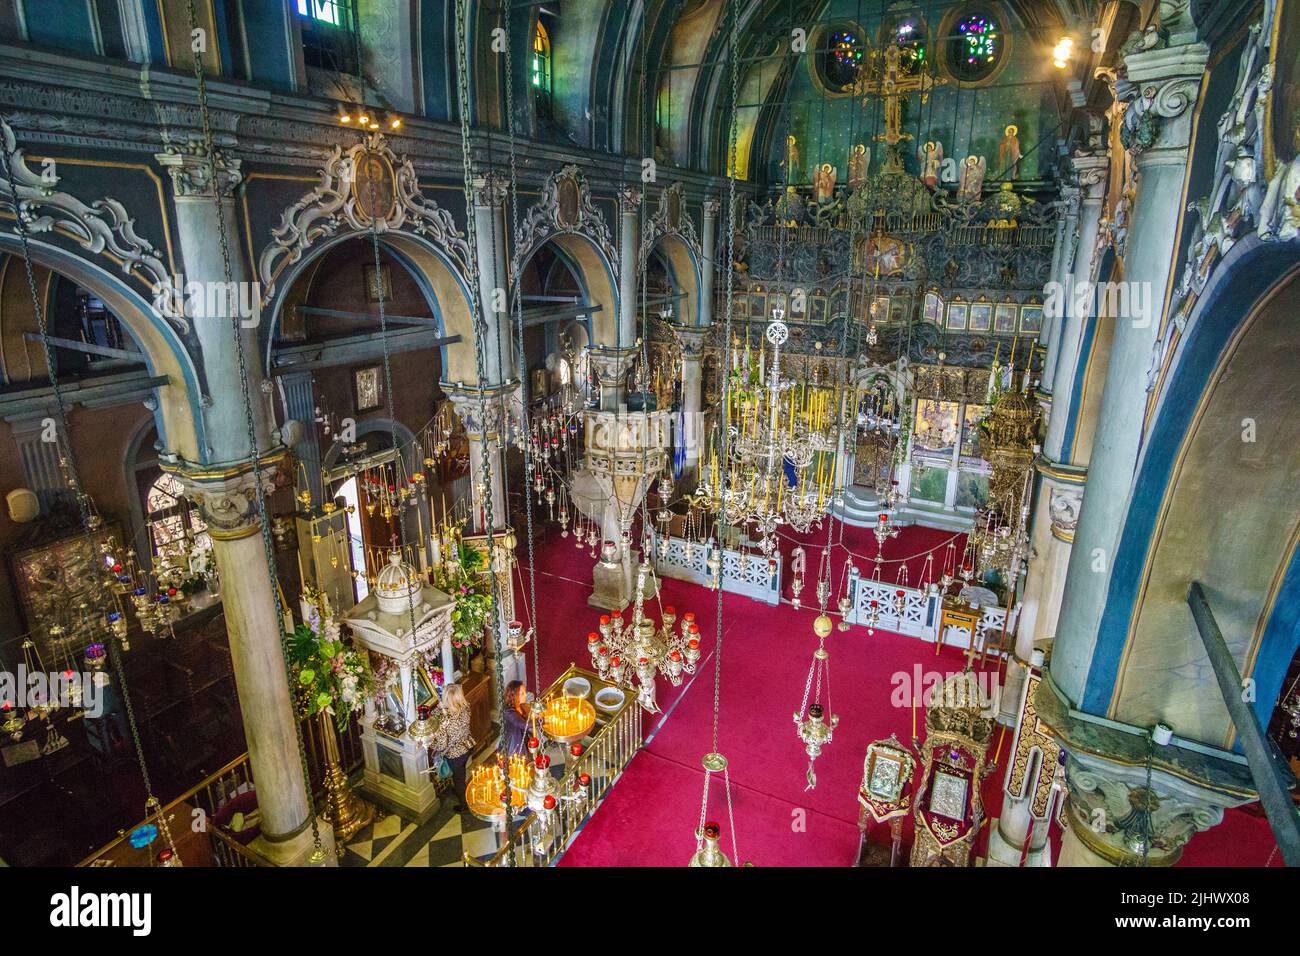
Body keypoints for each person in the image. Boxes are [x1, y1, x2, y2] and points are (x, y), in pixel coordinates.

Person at [431, 683, 474, 813]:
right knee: (460, 773)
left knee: (458, 778)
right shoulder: (466, 708)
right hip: (468, 745)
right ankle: (461, 790)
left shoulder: (445, 721)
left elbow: (441, 745)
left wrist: (430, 743)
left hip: (455, 754)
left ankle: (464, 805)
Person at [503, 680, 531, 756]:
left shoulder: (521, 706)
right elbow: (522, 724)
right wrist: (542, 721)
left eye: (525, 692)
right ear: (514, 696)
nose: (525, 695)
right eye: (522, 693)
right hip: (515, 746)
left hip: (523, 739)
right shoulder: (509, 712)